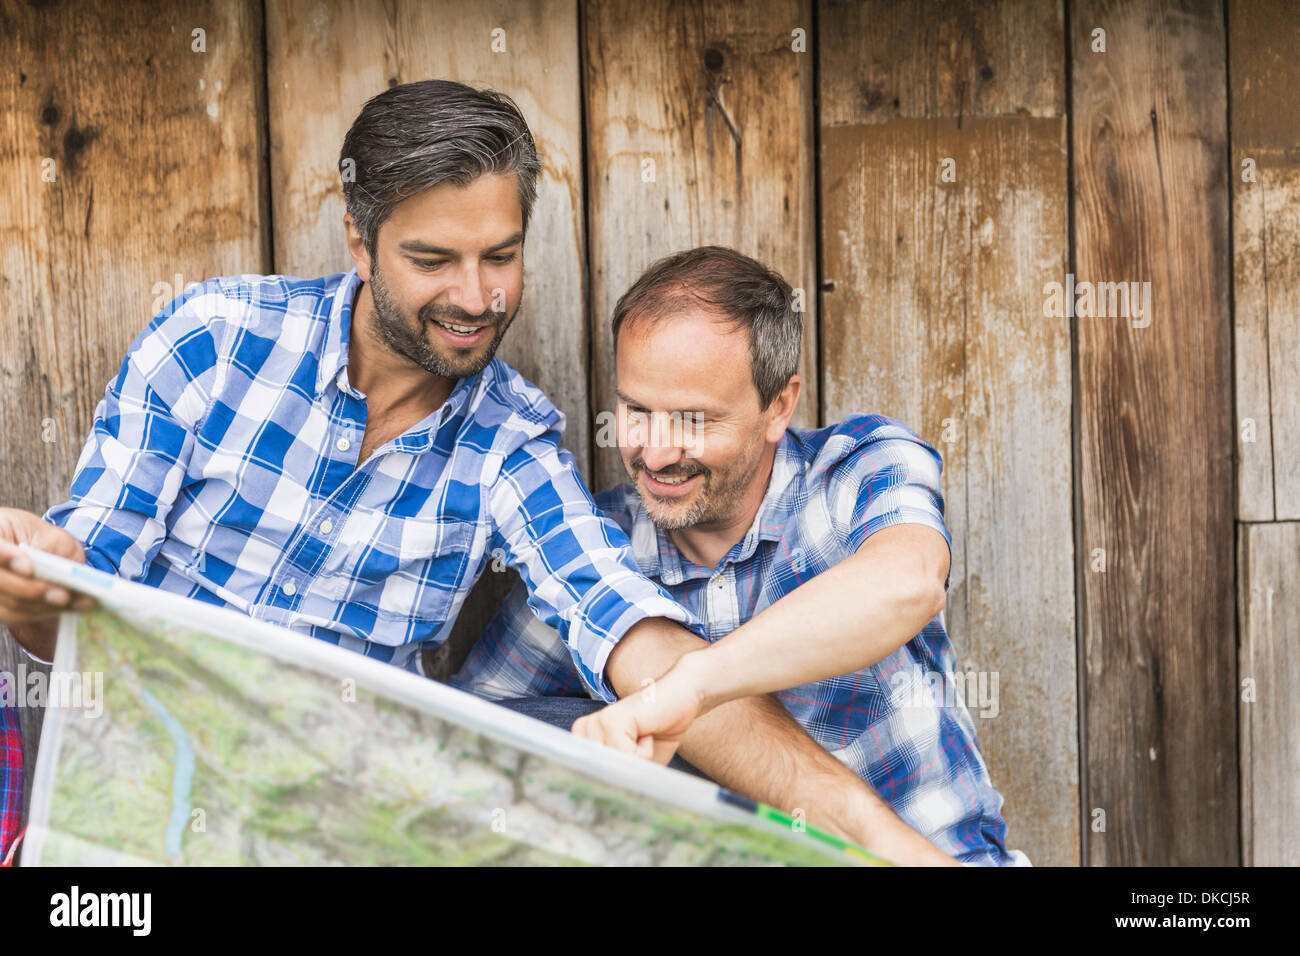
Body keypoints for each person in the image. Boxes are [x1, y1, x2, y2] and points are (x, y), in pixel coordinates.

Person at [0, 81, 955, 865]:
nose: (476, 297)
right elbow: (81, 604)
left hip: (306, 829)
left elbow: (635, 639)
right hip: (120, 783)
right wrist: (34, 577)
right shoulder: (211, 341)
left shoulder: (513, 444)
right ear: (358, 240)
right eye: (433, 259)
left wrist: (885, 845)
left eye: (501, 256)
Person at [455, 245, 1030, 865]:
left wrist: (687, 689)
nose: (655, 452)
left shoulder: (856, 470)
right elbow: (469, 734)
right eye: (635, 410)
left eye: (694, 420)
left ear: (778, 405)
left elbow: (908, 583)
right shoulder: (597, 557)